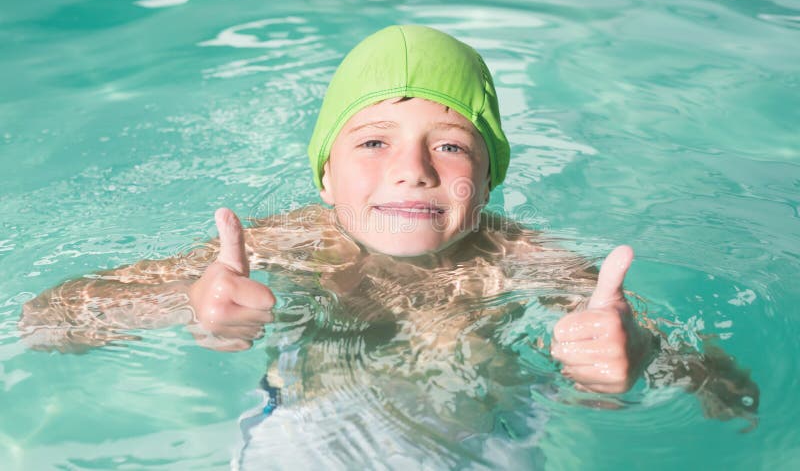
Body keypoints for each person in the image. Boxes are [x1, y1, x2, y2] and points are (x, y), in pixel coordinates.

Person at [19, 25, 758, 427]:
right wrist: (186, 304)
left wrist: (639, 354)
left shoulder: (524, 259)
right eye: (373, 141)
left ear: (489, 179)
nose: (413, 170)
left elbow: (727, 392)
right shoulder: (284, 243)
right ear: (325, 176)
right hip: (303, 433)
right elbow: (45, 323)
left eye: (451, 146)